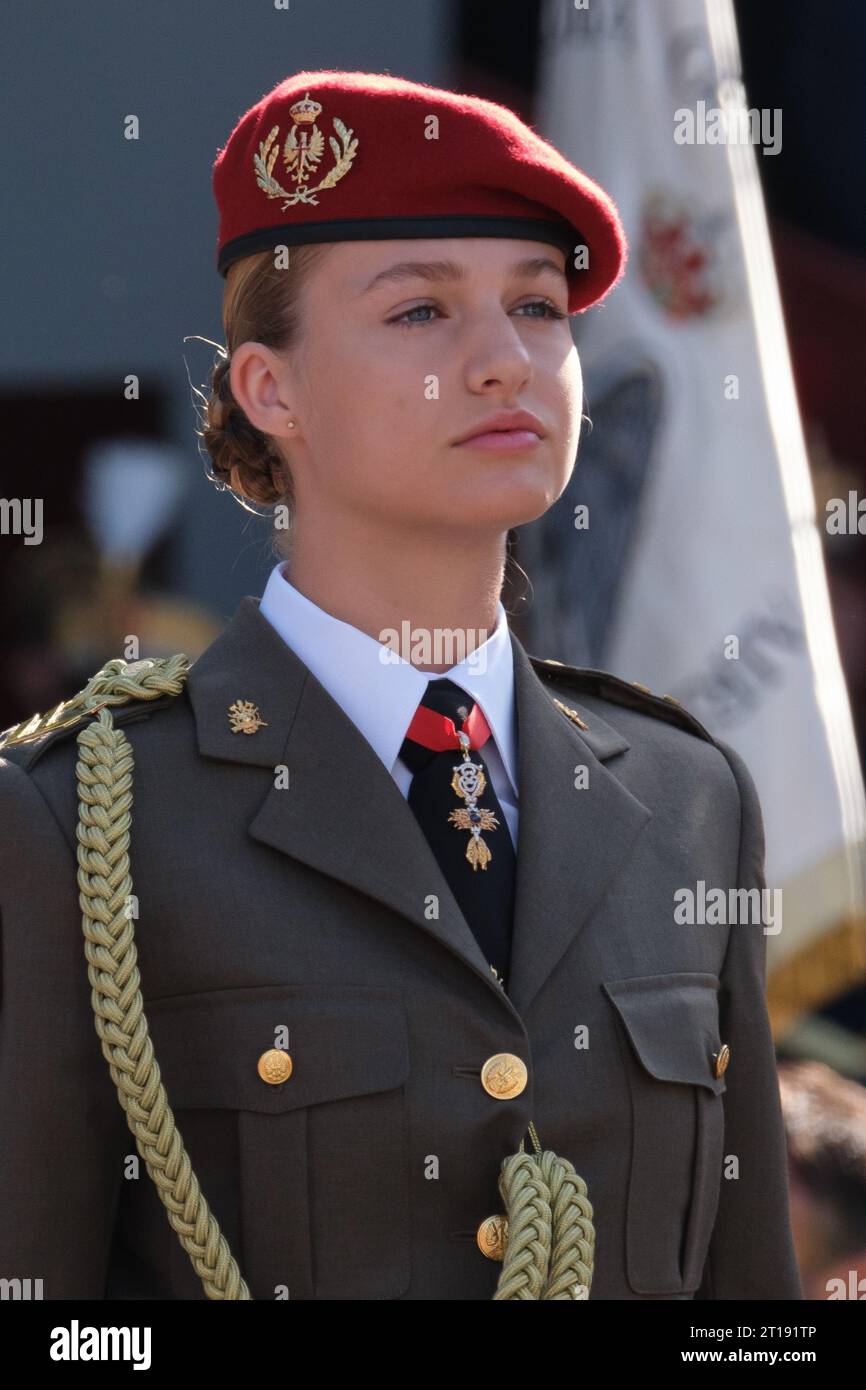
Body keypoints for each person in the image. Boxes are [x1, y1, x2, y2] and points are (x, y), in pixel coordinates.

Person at [0, 69, 802, 1301]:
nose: (503, 362)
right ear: (271, 390)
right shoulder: (82, 820)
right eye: (420, 312)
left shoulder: (690, 797)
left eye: (537, 306)